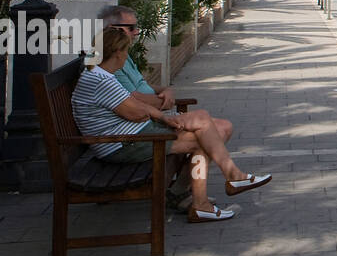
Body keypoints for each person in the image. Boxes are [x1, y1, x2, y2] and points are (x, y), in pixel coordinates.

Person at [72, 27, 271, 223]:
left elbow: (136, 106)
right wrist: (151, 115)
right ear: (117, 52)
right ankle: (208, 198)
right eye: (125, 51)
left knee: (202, 120)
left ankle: (222, 185)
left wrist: (164, 118)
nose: (126, 57)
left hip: (131, 136)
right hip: (121, 145)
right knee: (204, 140)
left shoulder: (101, 75)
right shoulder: (101, 81)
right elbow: (136, 113)